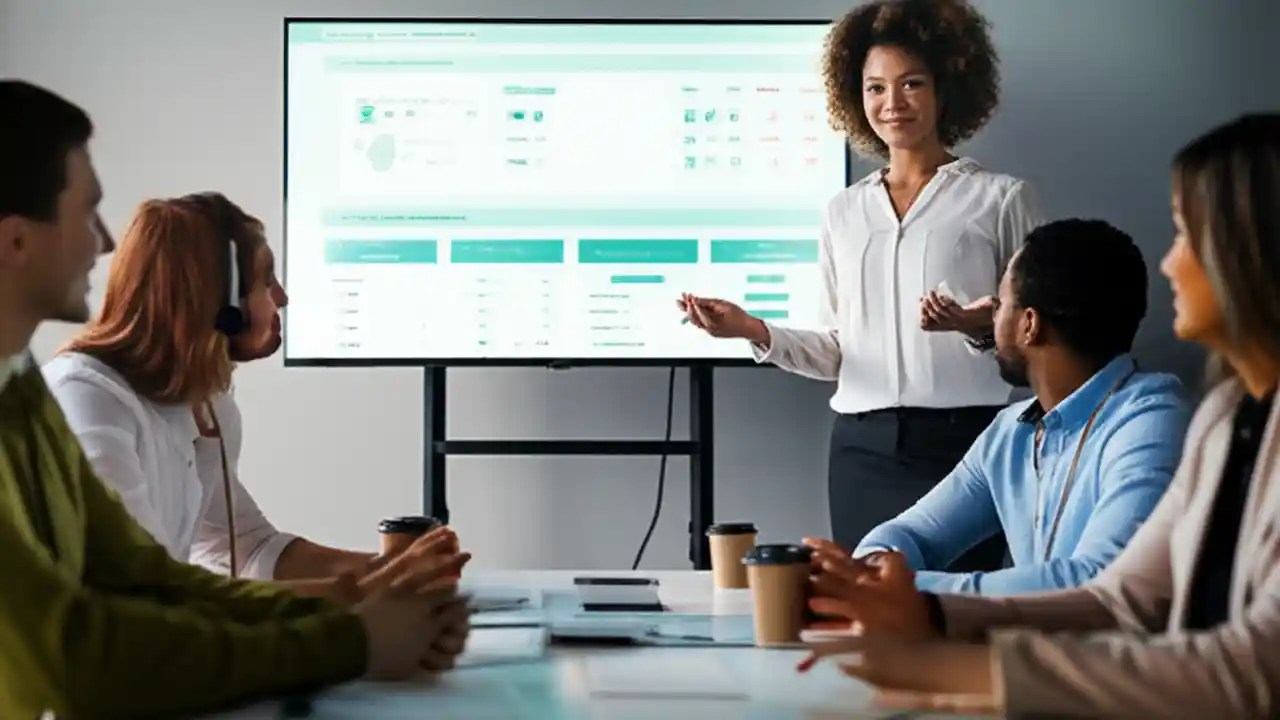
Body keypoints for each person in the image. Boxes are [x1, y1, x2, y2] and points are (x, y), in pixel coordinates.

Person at [0, 79, 468, 719]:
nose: (103, 243)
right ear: (16, 241)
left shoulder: (21, 386)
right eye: (86, 213)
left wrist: (360, 597)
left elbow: (153, 577)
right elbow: (88, 650)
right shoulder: (81, 397)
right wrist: (353, 639)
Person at [798, 114, 1280, 718]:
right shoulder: (1223, 419)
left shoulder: (1154, 416)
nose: (1169, 264)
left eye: (1184, 235)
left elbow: (1248, 669)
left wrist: (932, 632)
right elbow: (1120, 599)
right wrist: (907, 600)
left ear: (1246, 253)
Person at [679, 0, 1043, 569]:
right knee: (866, 605)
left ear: (946, 87)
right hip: (861, 452)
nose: (892, 103)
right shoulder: (843, 211)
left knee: (955, 606)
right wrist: (751, 329)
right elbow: (835, 352)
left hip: (967, 448)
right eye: (875, 87)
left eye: (911, 83)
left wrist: (978, 326)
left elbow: (1038, 336)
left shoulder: (1000, 199)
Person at [43, 191, 461, 603]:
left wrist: (391, 571)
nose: (282, 297)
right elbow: (131, 589)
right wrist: (358, 597)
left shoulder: (208, 407)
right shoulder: (86, 398)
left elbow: (245, 548)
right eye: (266, 279)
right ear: (221, 298)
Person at [806, 219, 1190, 595]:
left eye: (1000, 305)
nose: (992, 320)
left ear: (1029, 325)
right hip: (1026, 638)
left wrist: (897, 586)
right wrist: (871, 567)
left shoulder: (1151, 422)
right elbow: (911, 534)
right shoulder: (1011, 432)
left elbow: (1097, 580)